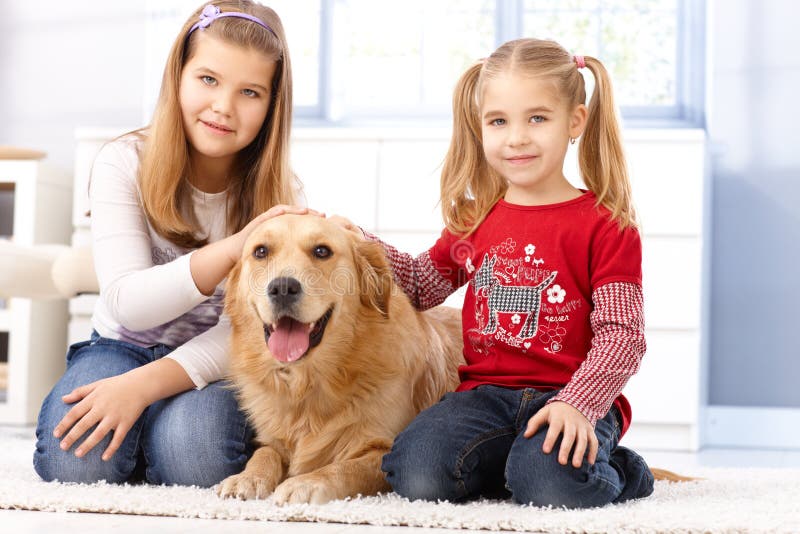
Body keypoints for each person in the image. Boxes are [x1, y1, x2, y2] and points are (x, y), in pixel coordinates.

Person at [33, 1, 317, 487]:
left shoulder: (280, 196)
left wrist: (144, 388)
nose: (224, 106)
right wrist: (233, 249)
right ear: (178, 77)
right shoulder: (123, 162)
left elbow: (249, 333)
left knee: (200, 460)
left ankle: (152, 430)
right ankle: (145, 433)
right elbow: (129, 306)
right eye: (208, 79)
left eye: (250, 92)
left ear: (272, 105)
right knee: (73, 462)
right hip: (120, 346)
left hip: (208, 359)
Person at [373, 38, 654, 508]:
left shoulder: (608, 225)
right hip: (484, 398)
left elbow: (622, 337)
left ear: (575, 122)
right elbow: (422, 286)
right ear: (480, 125)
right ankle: (511, 466)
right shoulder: (475, 219)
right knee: (415, 472)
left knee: (549, 484)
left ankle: (624, 471)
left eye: (537, 118)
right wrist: (361, 244)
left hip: (570, 397)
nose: (516, 137)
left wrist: (579, 403)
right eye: (498, 121)